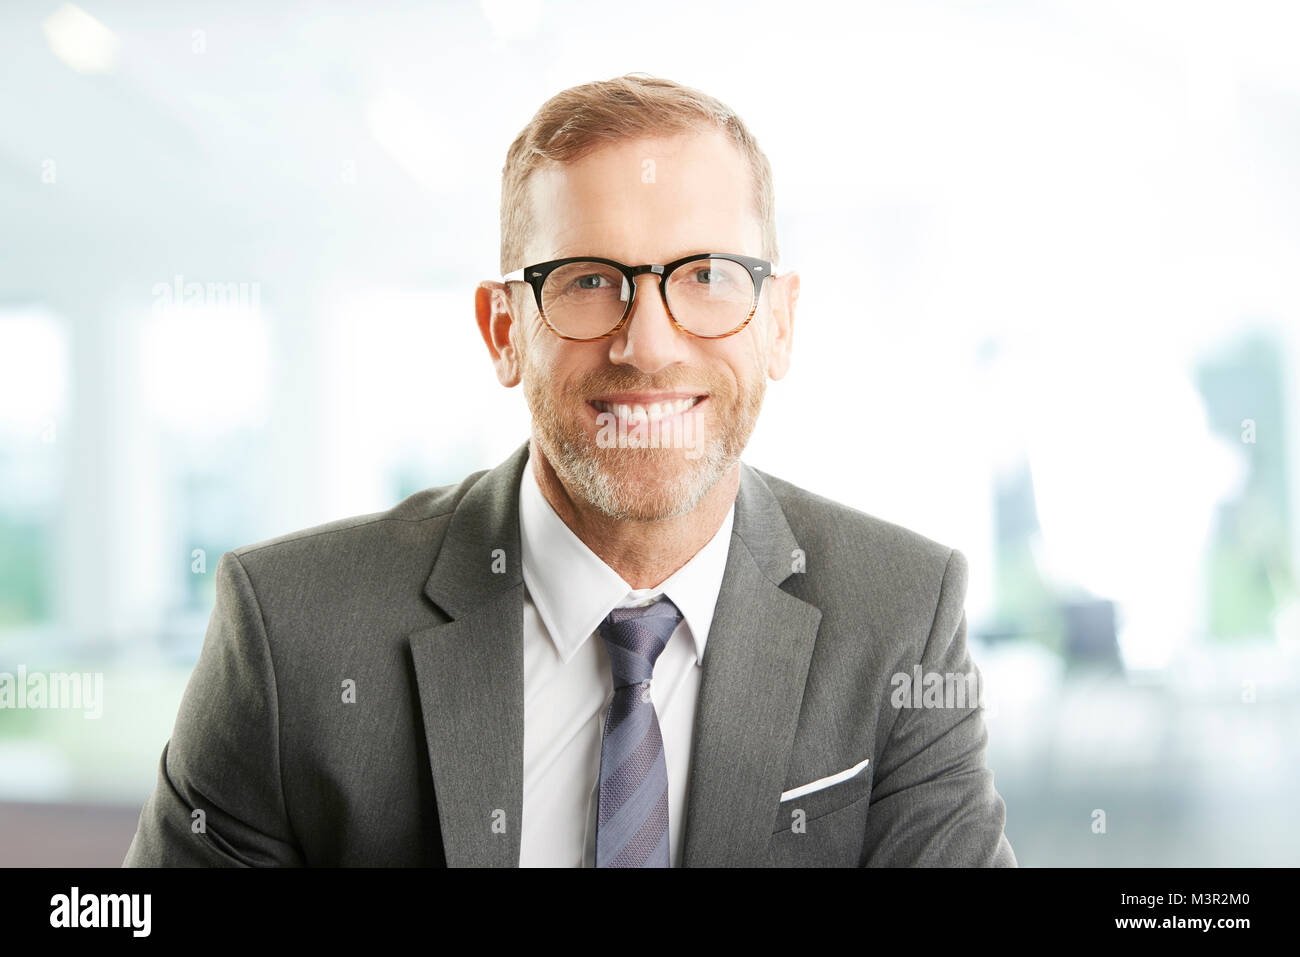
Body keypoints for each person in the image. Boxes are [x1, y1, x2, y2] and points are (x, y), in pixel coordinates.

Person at [124, 73, 1016, 867]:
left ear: (779, 322)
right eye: (589, 280)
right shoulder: (291, 633)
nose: (649, 345)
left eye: (706, 274)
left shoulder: (901, 612)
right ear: (504, 330)